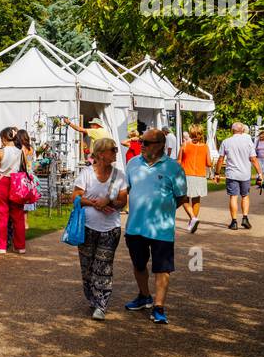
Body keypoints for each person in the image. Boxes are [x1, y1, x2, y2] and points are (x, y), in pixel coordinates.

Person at [123, 128, 193, 325]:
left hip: (162, 228)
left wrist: (163, 209)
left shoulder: (174, 168)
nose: (142, 146)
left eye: (146, 143)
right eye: (141, 142)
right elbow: (125, 190)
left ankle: (159, 306)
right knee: (138, 265)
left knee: (162, 268)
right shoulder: (132, 163)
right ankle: (144, 296)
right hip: (135, 226)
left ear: (161, 145)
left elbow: (181, 197)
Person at [74, 137, 129, 320]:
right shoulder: (86, 174)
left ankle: (101, 304)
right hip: (87, 228)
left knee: (103, 267)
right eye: (112, 149)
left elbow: (122, 202)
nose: (115, 151)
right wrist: (94, 203)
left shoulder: (119, 175)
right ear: (101, 153)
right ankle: (92, 297)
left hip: (110, 229)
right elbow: (75, 197)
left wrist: (110, 201)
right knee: (87, 267)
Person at [0, 126, 28, 255]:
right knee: (18, 216)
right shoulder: (20, 151)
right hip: (17, 182)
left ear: (4, 138)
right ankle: (20, 246)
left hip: (3, 182)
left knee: (2, 215)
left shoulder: (0, 152)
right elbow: (24, 167)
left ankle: (1, 246)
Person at [216, 121, 261, 230]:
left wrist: (217, 173)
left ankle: (234, 222)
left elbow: (221, 159)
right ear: (242, 130)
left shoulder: (226, 142)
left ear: (232, 130)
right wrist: (259, 173)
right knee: (245, 196)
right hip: (245, 174)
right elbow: (253, 159)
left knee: (233, 197)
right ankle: (245, 218)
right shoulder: (248, 142)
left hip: (232, 174)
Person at [179, 126, 211, 232]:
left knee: (183, 199)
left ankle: (193, 218)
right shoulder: (205, 147)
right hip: (200, 175)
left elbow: (179, 161)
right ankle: (192, 222)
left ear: (190, 134)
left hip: (186, 174)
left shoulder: (185, 145)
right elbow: (209, 163)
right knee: (196, 200)